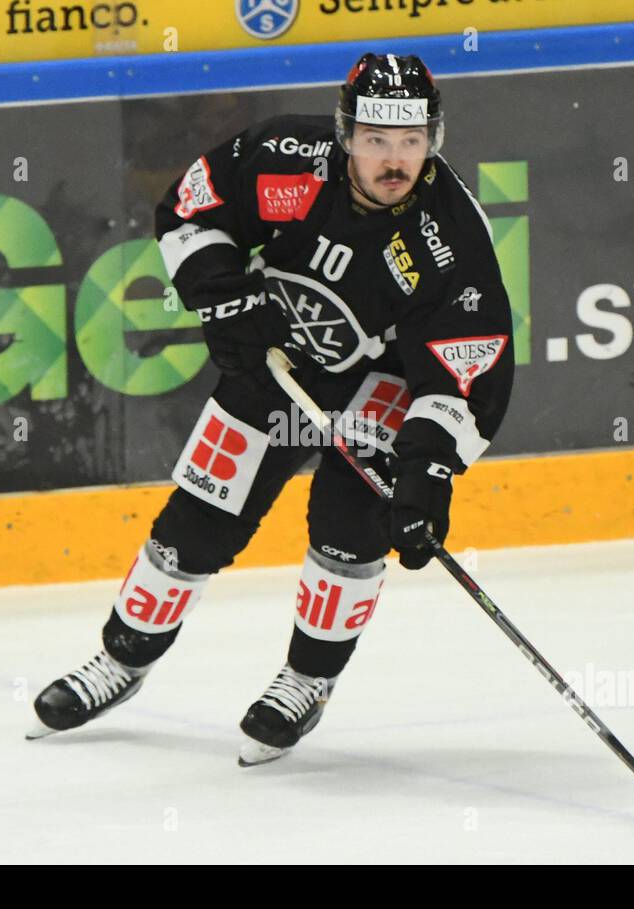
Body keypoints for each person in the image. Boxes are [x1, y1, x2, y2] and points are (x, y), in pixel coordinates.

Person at [29, 52, 515, 765]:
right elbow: (193, 207)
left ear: (433, 138)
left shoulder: (451, 237)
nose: (394, 160)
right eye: (378, 139)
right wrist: (222, 292)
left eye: (411, 140)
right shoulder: (285, 156)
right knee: (200, 517)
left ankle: (307, 680)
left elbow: (466, 371)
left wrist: (427, 475)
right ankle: (122, 659)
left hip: (385, 381)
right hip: (280, 360)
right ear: (346, 133)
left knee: (351, 527)